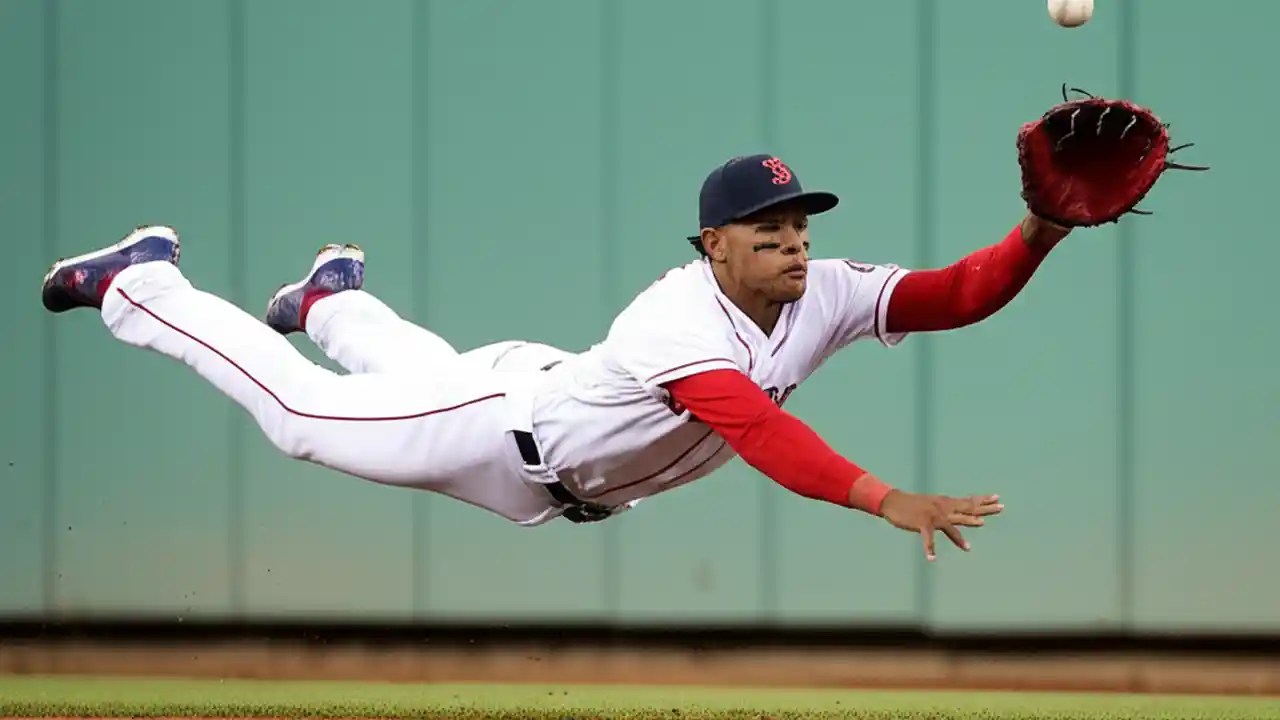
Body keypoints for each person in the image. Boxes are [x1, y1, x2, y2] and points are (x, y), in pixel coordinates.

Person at [40, 153, 1068, 561]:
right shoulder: (680, 321)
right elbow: (756, 430)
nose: (793, 244)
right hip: (500, 433)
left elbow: (957, 294)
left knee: (409, 377)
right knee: (302, 421)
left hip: (541, 423)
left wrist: (1039, 229)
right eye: (768, 231)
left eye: (798, 226)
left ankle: (329, 303)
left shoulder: (824, 289)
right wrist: (886, 498)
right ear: (714, 245)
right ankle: (140, 285)